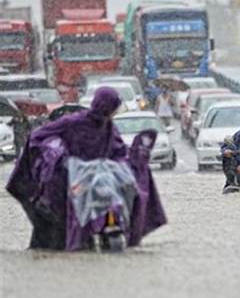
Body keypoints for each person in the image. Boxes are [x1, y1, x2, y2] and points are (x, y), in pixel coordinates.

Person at [6, 87, 167, 250]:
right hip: (72, 179)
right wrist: (55, 153)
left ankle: (128, 231)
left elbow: (118, 150)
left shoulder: (109, 126)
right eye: (112, 108)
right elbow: (38, 136)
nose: (112, 113)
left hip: (100, 180)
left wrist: (133, 159)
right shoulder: (73, 122)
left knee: (132, 192)